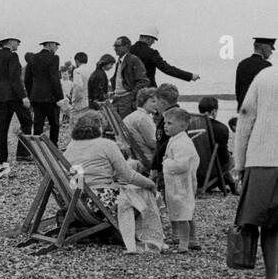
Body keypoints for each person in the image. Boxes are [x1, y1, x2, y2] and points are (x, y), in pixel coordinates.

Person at [63, 111, 164, 253]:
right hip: (100, 203)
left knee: (129, 190)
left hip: (79, 201)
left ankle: (120, 231)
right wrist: (150, 184)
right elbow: (128, 176)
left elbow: (79, 176)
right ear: (99, 127)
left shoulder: (71, 146)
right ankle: (133, 233)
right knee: (149, 194)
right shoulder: (106, 144)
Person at [233, 67, 278, 279]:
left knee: (269, 224)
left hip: (263, 159)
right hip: (264, 158)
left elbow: (245, 118)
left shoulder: (264, 76)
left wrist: (239, 163)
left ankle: (272, 277)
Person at [0, 36, 32, 167]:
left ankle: (2, 158)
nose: (18, 44)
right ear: (10, 42)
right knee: (27, 121)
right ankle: (22, 153)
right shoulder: (13, 56)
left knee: (2, 128)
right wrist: (23, 96)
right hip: (13, 96)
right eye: (17, 41)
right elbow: (14, 79)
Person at [161, 107, 201, 250]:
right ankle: (188, 238)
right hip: (176, 183)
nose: (165, 126)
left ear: (183, 126)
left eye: (170, 123)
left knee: (183, 213)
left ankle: (184, 243)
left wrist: (166, 162)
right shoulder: (175, 139)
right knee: (182, 211)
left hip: (182, 184)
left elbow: (182, 165)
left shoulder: (183, 143)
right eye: (165, 123)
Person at [130, 26, 198, 90]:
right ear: (148, 38)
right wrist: (190, 76)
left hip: (128, 91)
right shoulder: (151, 53)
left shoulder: (128, 51)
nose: (153, 42)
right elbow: (167, 69)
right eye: (153, 40)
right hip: (148, 91)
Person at [24, 39, 64, 145]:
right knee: (54, 124)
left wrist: (30, 94)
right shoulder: (54, 58)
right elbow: (54, 78)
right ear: (50, 45)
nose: (57, 48)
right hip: (51, 97)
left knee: (38, 124)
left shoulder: (33, 58)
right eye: (56, 45)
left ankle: (38, 149)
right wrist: (60, 97)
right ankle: (53, 148)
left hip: (36, 97)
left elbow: (27, 79)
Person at [197, 96, 238, 194]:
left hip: (197, 167)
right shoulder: (221, 128)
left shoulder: (192, 124)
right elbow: (223, 158)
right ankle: (231, 184)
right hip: (212, 169)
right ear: (214, 111)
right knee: (230, 159)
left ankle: (221, 183)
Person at [110, 35, 149, 117]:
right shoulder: (119, 62)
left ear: (126, 46)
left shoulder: (134, 60)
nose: (115, 48)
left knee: (124, 126)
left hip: (125, 101)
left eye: (118, 46)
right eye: (114, 46)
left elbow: (143, 81)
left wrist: (130, 97)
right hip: (117, 99)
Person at [123, 87, 161, 166]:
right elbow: (154, 143)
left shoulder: (131, 116)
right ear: (143, 101)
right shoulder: (143, 118)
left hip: (135, 156)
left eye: (157, 102)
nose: (156, 105)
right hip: (147, 158)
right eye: (153, 101)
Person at [235, 36, 273, 108]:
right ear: (263, 47)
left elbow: (238, 90)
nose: (271, 52)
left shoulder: (242, 63)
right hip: (258, 107)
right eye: (270, 48)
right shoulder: (266, 65)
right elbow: (267, 90)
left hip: (243, 106)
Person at [69, 52, 91, 118]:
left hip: (80, 103)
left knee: (75, 125)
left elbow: (78, 86)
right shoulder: (91, 71)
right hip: (89, 102)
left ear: (76, 60)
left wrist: (74, 101)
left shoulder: (77, 71)